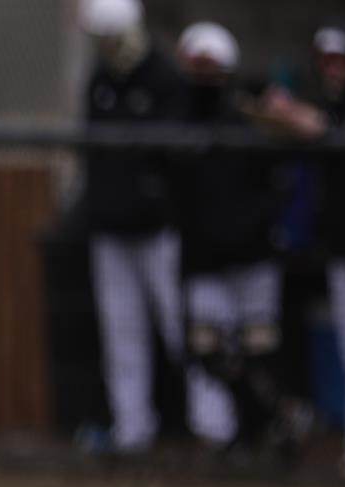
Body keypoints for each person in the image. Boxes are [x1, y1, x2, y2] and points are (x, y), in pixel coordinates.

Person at [78, 0, 228, 456]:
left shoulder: (163, 77)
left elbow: (176, 158)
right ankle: (132, 429)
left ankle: (214, 426)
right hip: (110, 229)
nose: (107, 48)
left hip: (158, 230)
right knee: (122, 333)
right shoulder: (99, 79)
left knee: (180, 327)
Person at [255, 25, 345, 478]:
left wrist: (299, 118)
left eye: (340, 61)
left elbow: (339, 132)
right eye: (325, 61)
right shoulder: (336, 102)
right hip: (344, 249)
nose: (333, 69)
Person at [172, 23, 277, 457]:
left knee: (257, 350)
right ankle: (222, 433)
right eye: (196, 67)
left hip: (251, 257)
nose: (204, 77)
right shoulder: (176, 119)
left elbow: (272, 191)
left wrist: (250, 235)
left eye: (212, 68)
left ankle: (266, 429)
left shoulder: (250, 121)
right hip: (204, 260)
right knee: (208, 352)